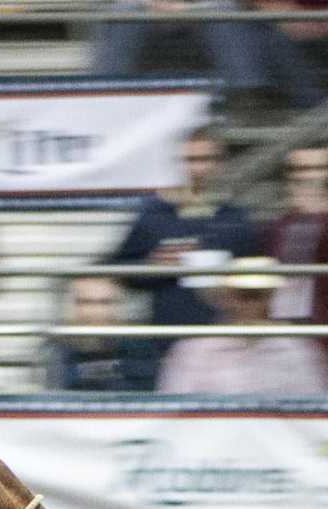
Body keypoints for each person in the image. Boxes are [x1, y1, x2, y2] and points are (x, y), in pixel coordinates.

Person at [102, 126, 259, 350]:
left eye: (204, 159)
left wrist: (230, 282)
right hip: (169, 343)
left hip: (225, 343)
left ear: (220, 163)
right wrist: (154, 267)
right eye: (190, 160)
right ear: (180, 163)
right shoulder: (155, 215)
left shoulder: (236, 219)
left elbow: (256, 278)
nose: (196, 168)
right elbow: (116, 269)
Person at [90, 0, 322, 114]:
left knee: (223, 10)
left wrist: (188, 10)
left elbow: (258, 6)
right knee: (125, 12)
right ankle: (107, 97)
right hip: (156, 24)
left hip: (212, 26)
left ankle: (248, 97)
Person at [159, 257, 328, 392]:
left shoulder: (297, 350)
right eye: (243, 295)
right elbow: (177, 412)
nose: (250, 305)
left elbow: (314, 410)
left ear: (270, 299)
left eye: (258, 296)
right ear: (225, 299)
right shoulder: (194, 352)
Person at [43, 275, 162, 391]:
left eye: (105, 302)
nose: (95, 312)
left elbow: (144, 399)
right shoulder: (54, 350)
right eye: (85, 302)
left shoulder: (139, 349)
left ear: (119, 307)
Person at [261, 142, 328, 326]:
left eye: (318, 168)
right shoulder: (277, 226)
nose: (308, 176)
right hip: (283, 326)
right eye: (299, 169)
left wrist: (320, 215)